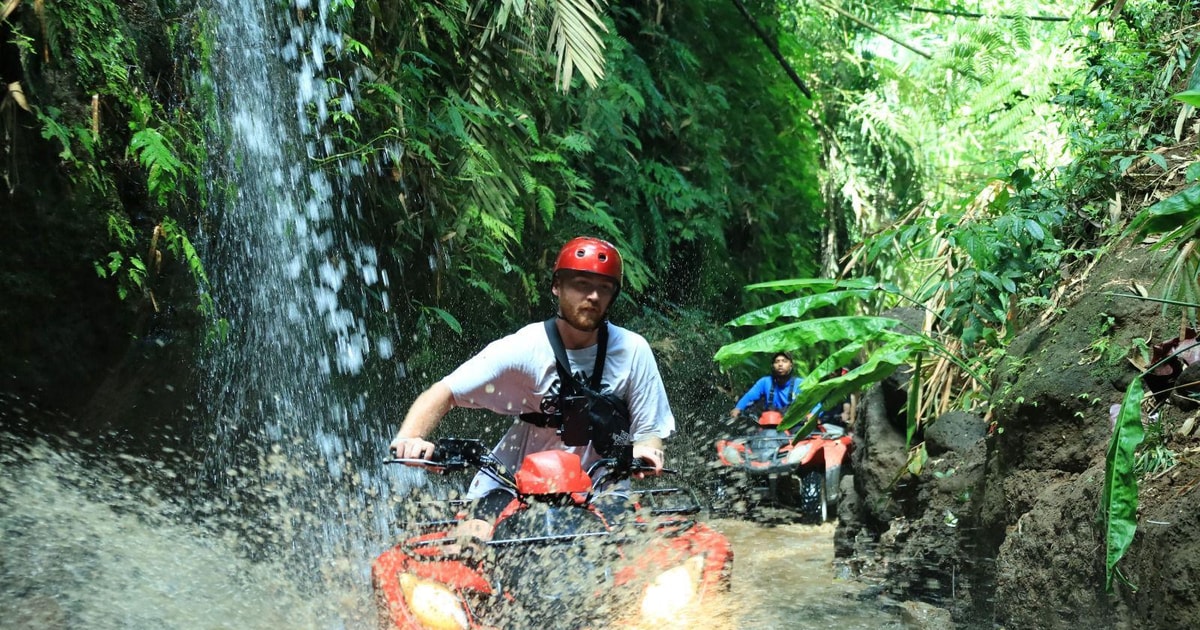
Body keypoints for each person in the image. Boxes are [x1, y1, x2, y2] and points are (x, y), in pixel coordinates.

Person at [389, 236, 673, 534]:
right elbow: (445, 391)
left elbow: (648, 432)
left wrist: (646, 452)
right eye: (581, 284)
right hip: (511, 482)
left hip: (602, 486)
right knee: (473, 538)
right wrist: (411, 438)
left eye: (604, 287)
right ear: (557, 286)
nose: (593, 296)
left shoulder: (633, 350)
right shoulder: (525, 347)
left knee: (622, 545)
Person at [729, 351, 801, 419]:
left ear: (791, 365)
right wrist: (738, 408)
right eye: (777, 361)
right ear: (773, 366)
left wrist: (808, 414)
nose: (780, 364)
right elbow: (749, 396)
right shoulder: (765, 381)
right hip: (769, 422)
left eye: (784, 361)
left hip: (792, 422)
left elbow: (808, 403)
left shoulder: (800, 383)